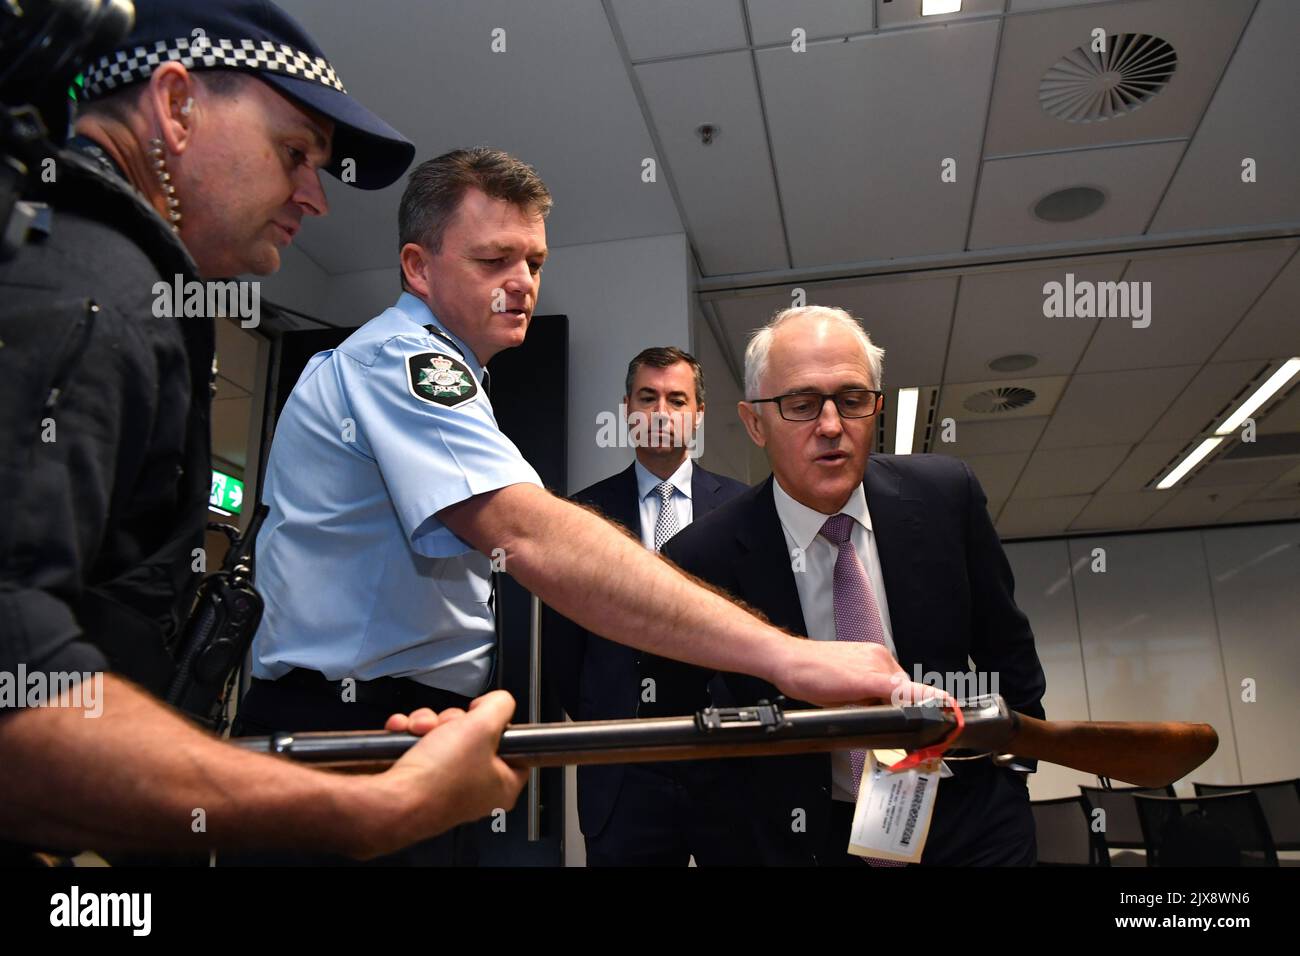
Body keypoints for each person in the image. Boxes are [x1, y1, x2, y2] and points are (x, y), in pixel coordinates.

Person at [243, 149, 943, 862]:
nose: (521, 285)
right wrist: (787, 659)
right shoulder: (403, 364)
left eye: (534, 263)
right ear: (419, 268)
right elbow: (529, 536)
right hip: (343, 725)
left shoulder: (448, 374)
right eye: (493, 261)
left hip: (405, 723)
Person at [0, 0, 525, 864]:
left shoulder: (110, 277)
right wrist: (375, 812)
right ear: (175, 107)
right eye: (295, 154)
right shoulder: (99, 292)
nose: (314, 196)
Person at [662, 306, 1048, 866]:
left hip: (966, 824)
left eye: (852, 399)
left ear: (877, 408)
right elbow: (682, 726)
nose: (830, 425)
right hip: (802, 843)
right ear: (754, 423)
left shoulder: (945, 497)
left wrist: (1012, 776)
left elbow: (1007, 652)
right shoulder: (704, 556)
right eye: (800, 404)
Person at [544, 347, 749, 866]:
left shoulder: (745, 510)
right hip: (624, 770)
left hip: (725, 761)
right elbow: (564, 650)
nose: (661, 412)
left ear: (698, 414)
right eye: (647, 398)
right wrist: (605, 712)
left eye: (677, 399)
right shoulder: (581, 516)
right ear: (627, 410)